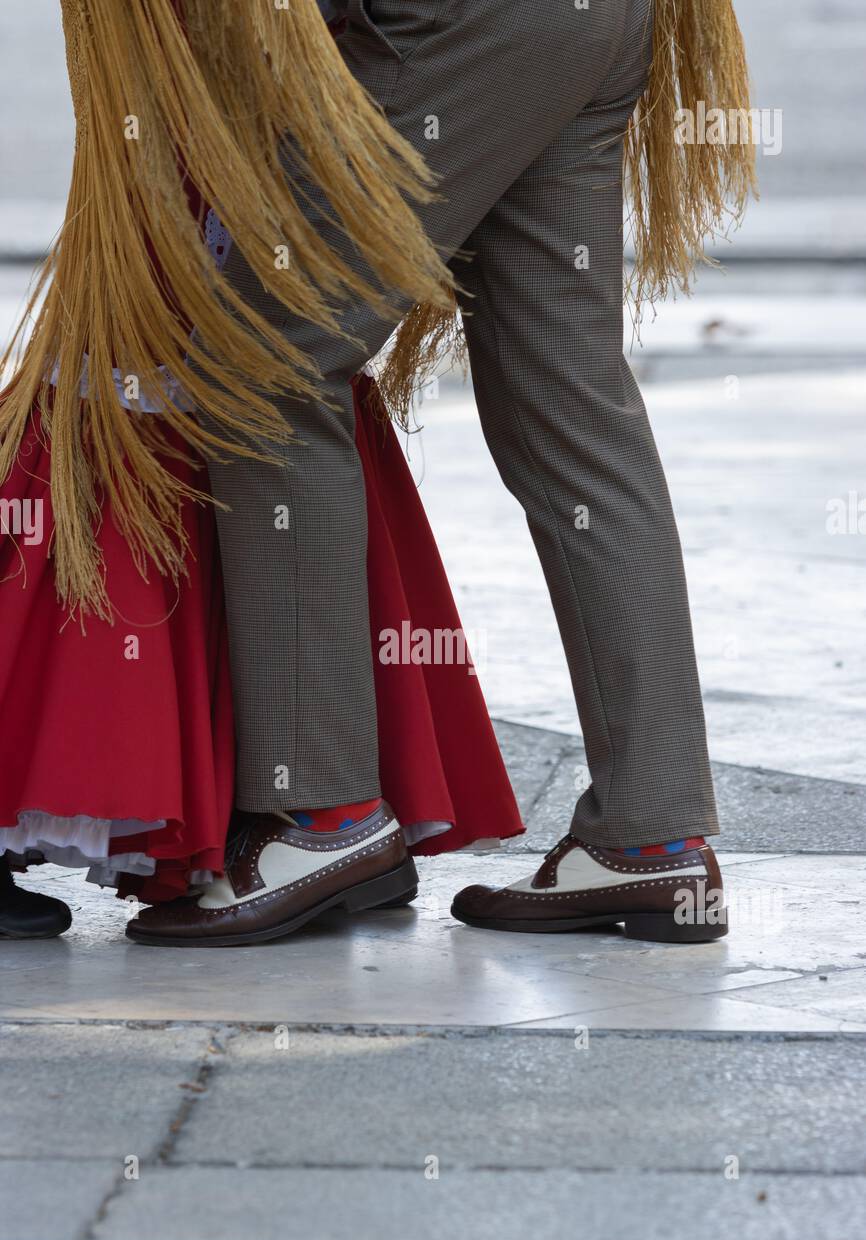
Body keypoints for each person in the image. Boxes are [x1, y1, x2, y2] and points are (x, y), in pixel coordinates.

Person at [126, 0, 755, 946]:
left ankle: (324, 818)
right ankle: (650, 836)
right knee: (572, 406)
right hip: (598, 22)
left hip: (461, 21)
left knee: (267, 357)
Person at [0, 0, 521, 940]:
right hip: (206, 96)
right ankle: (306, 816)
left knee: (242, 374)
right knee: (209, 368)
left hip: (234, 99)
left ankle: (310, 817)